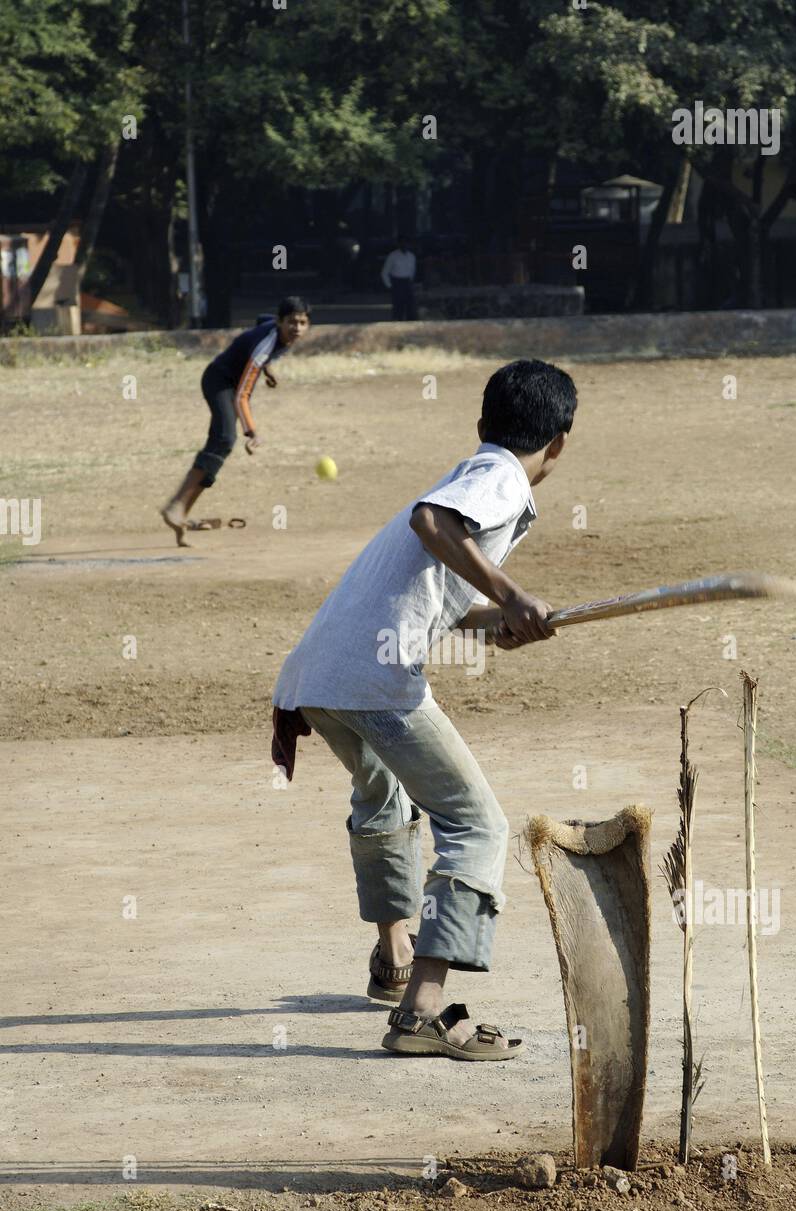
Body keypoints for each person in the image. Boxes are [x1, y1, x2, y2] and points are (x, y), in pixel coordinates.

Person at [272, 359, 577, 1060]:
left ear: (480, 422)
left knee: (383, 797)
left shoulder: (477, 469)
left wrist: (486, 623)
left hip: (319, 676)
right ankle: (424, 1012)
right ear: (557, 442)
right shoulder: (497, 476)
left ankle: (395, 958)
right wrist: (508, 594)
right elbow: (430, 522)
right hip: (376, 681)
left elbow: (430, 586)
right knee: (475, 825)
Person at [160, 297, 310, 546]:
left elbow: (261, 320)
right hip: (219, 380)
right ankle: (176, 506)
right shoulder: (266, 344)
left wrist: (267, 368)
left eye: (303, 323)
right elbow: (242, 395)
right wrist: (252, 432)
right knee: (225, 439)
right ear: (280, 322)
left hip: (230, 383)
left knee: (221, 445)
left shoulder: (278, 333)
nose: (297, 329)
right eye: (292, 322)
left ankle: (180, 511)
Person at [381, 237, 417, 320]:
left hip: (407, 283)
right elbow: (384, 273)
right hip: (397, 283)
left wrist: (411, 282)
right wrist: (390, 286)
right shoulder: (393, 256)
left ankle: (411, 327)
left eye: (406, 243)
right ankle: (397, 327)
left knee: (411, 308)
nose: (405, 245)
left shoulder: (412, 256)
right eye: (402, 243)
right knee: (398, 309)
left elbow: (413, 270)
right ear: (399, 244)